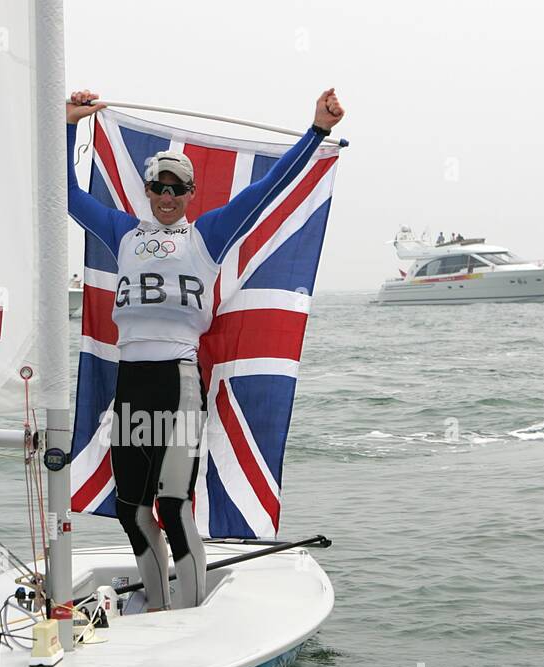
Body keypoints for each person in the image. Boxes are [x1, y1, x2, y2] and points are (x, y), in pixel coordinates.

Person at [66, 87, 345, 611]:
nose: (167, 196)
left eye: (177, 188)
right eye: (159, 186)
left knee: (172, 505)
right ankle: (157, 606)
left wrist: (317, 132)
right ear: (147, 189)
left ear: (191, 194)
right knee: (132, 508)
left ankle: (191, 613)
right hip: (132, 384)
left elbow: (269, 189)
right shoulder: (121, 232)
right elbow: (60, 193)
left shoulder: (207, 236)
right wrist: (68, 125)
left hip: (178, 383)